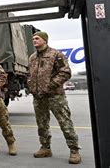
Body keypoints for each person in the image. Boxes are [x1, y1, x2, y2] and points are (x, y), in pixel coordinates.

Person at [28, 31, 81, 164]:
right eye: (33, 38)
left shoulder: (55, 54)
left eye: (37, 38)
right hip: (39, 97)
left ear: (45, 40)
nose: (34, 40)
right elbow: (30, 75)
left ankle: (74, 150)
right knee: (42, 124)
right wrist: (31, 86)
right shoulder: (32, 57)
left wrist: (50, 85)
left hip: (55, 96)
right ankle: (45, 148)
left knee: (65, 123)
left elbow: (65, 72)